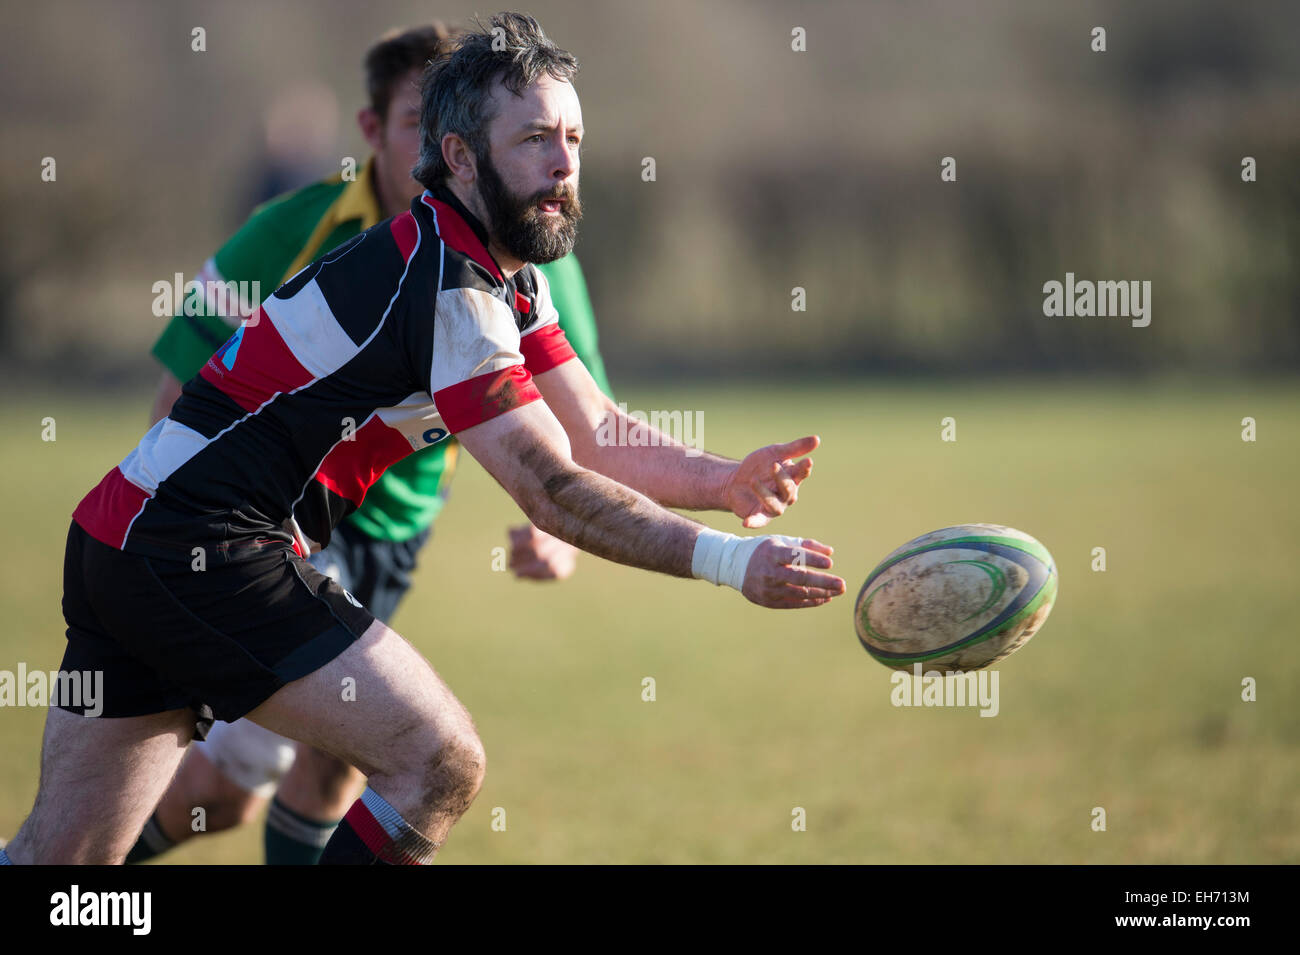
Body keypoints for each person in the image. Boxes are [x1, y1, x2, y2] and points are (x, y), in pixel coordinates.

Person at [2, 12, 844, 866]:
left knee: (59, 871)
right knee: (437, 759)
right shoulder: (449, 285)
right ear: (462, 157)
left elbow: (595, 431)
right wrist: (734, 563)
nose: (564, 162)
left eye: (574, 137)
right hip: (203, 545)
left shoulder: (502, 273)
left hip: (126, 537)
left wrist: (724, 476)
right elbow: (550, 488)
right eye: (535, 139)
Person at [127, 23, 614, 866]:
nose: (437, 148)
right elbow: (183, 376)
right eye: (416, 124)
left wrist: (554, 526)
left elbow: (583, 427)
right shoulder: (298, 225)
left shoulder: (529, 244)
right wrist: (158, 525)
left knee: (306, 775)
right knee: (254, 781)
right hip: (264, 516)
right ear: (372, 131)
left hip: (394, 530)